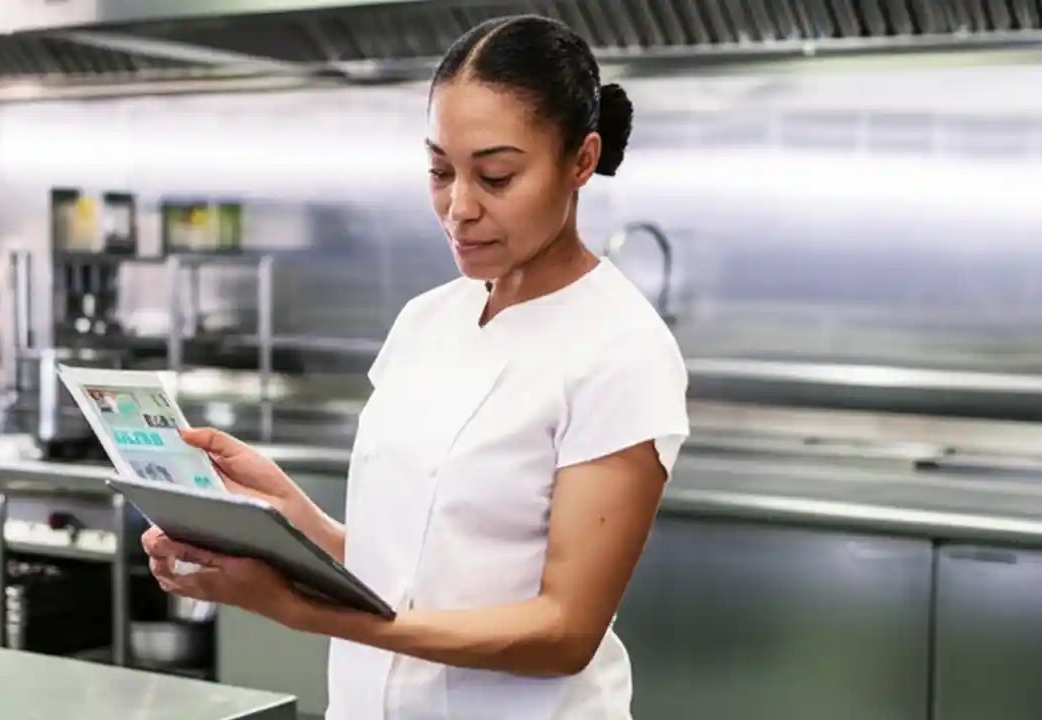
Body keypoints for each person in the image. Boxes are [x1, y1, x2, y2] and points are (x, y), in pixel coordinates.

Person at [142, 14, 690, 720]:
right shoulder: (426, 320)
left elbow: (563, 633)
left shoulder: (621, 348)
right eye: (440, 171)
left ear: (581, 161)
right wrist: (291, 519)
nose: (459, 208)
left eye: (496, 176)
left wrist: (308, 613)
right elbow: (411, 572)